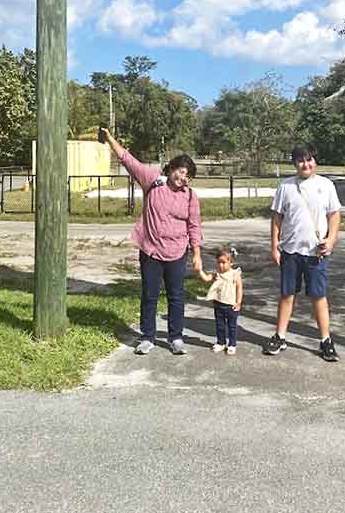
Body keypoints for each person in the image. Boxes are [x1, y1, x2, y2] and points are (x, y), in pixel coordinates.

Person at [101, 128, 202, 355]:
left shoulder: (190, 196)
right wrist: (109, 139)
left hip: (177, 252)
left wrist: (196, 254)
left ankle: (176, 337)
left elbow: (194, 225)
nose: (183, 178)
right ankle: (148, 337)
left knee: (176, 296)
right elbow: (129, 161)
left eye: (188, 176)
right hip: (151, 250)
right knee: (150, 294)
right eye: (181, 172)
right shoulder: (153, 181)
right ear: (172, 168)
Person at [263, 142, 342, 362]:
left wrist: (331, 240)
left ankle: (326, 340)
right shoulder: (285, 187)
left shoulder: (326, 185)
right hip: (290, 251)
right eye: (300, 160)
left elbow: (334, 215)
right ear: (295, 164)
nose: (305, 164)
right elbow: (277, 218)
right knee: (287, 294)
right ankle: (280, 336)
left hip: (316, 253)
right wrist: (274, 246)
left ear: (315, 161)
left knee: (319, 296)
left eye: (309, 160)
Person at [198, 246, 243, 355]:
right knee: (220, 325)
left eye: (223, 262)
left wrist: (238, 302)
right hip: (218, 304)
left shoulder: (235, 274)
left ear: (231, 263)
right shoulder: (216, 274)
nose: (221, 265)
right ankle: (220, 342)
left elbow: (239, 288)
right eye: (218, 262)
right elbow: (206, 278)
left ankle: (232, 344)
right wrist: (199, 270)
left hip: (231, 306)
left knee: (232, 326)